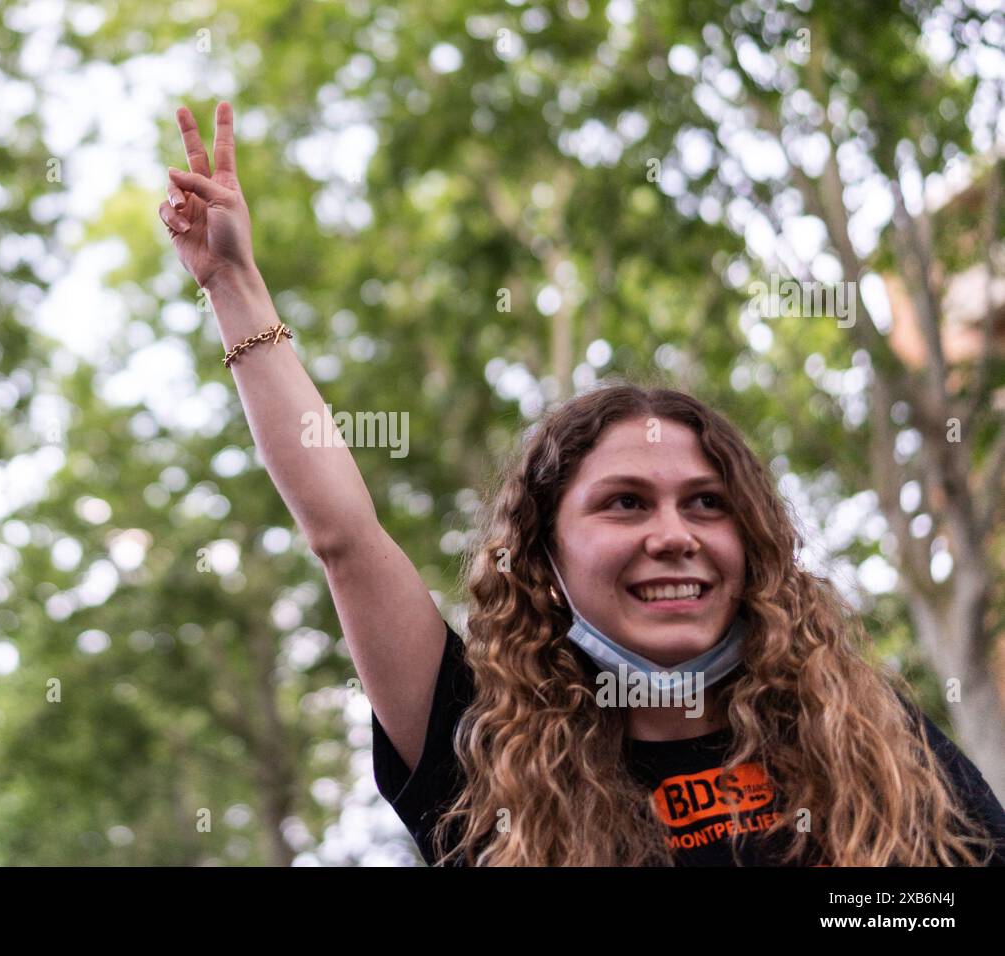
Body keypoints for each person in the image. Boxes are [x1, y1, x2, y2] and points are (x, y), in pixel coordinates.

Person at [157, 101, 1005, 867]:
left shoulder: (868, 733)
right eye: (624, 502)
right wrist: (232, 283)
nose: (673, 533)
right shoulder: (478, 746)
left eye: (707, 503)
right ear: (545, 552)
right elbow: (344, 537)